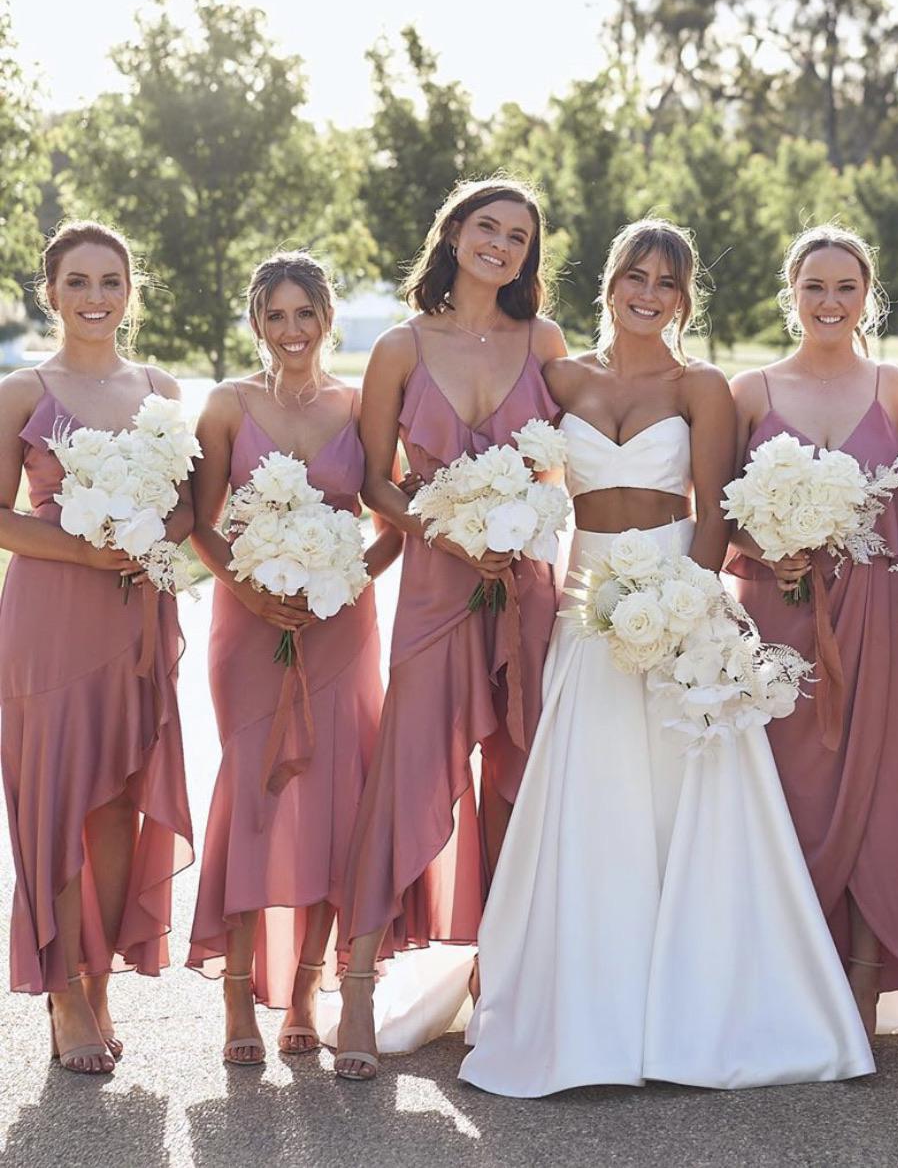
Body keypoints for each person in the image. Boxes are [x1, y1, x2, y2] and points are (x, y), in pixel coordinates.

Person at [458, 218, 874, 1097]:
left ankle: (702, 1013)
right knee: (592, 793)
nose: (649, 294)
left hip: (681, 595)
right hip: (586, 601)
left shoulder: (701, 385)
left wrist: (684, 602)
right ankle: (585, 1009)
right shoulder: (560, 377)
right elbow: (519, 471)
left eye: (668, 283)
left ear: (685, 299)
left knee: (694, 796)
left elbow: (715, 509)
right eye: (636, 277)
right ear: (610, 283)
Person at [334, 179, 567, 1080]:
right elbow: (375, 480)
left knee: (516, 776)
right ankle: (359, 982)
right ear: (454, 234)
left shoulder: (544, 342)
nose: (500, 245)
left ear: (528, 255)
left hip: (522, 585)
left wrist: (515, 531)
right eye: (486, 227)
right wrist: (447, 528)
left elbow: (566, 466)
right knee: (406, 769)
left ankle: (499, 977)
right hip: (437, 585)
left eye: (518, 236)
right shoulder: (400, 346)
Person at [727, 224, 898, 1038]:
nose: (829, 301)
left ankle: (862, 983)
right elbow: (716, 508)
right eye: (814, 286)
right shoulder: (750, 391)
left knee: (878, 786)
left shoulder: (896, 387)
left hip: (878, 613)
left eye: (845, 286)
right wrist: (769, 548)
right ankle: (782, 973)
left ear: (867, 295)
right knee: (787, 787)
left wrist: (861, 546)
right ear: (792, 293)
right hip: (779, 616)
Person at [187, 252, 401, 1065]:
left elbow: (391, 521)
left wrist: (348, 581)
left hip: (341, 626)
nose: (291, 329)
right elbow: (200, 524)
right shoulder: (226, 404)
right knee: (256, 793)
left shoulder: (359, 406)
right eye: (275, 315)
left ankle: (308, 988)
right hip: (249, 627)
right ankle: (238, 992)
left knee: (338, 798)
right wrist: (249, 593)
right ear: (256, 322)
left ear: (327, 317)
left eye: (304, 313)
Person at [0, 221, 194, 1073]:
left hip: (133, 616)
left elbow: (189, 506)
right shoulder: (20, 390)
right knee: (57, 801)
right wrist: (84, 549)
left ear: (130, 291)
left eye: (110, 281)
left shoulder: (159, 389)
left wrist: (148, 535)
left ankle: (100, 975)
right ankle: (63, 991)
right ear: (51, 293)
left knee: (117, 800)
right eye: (77, 282)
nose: (95, 297)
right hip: (49, 619)